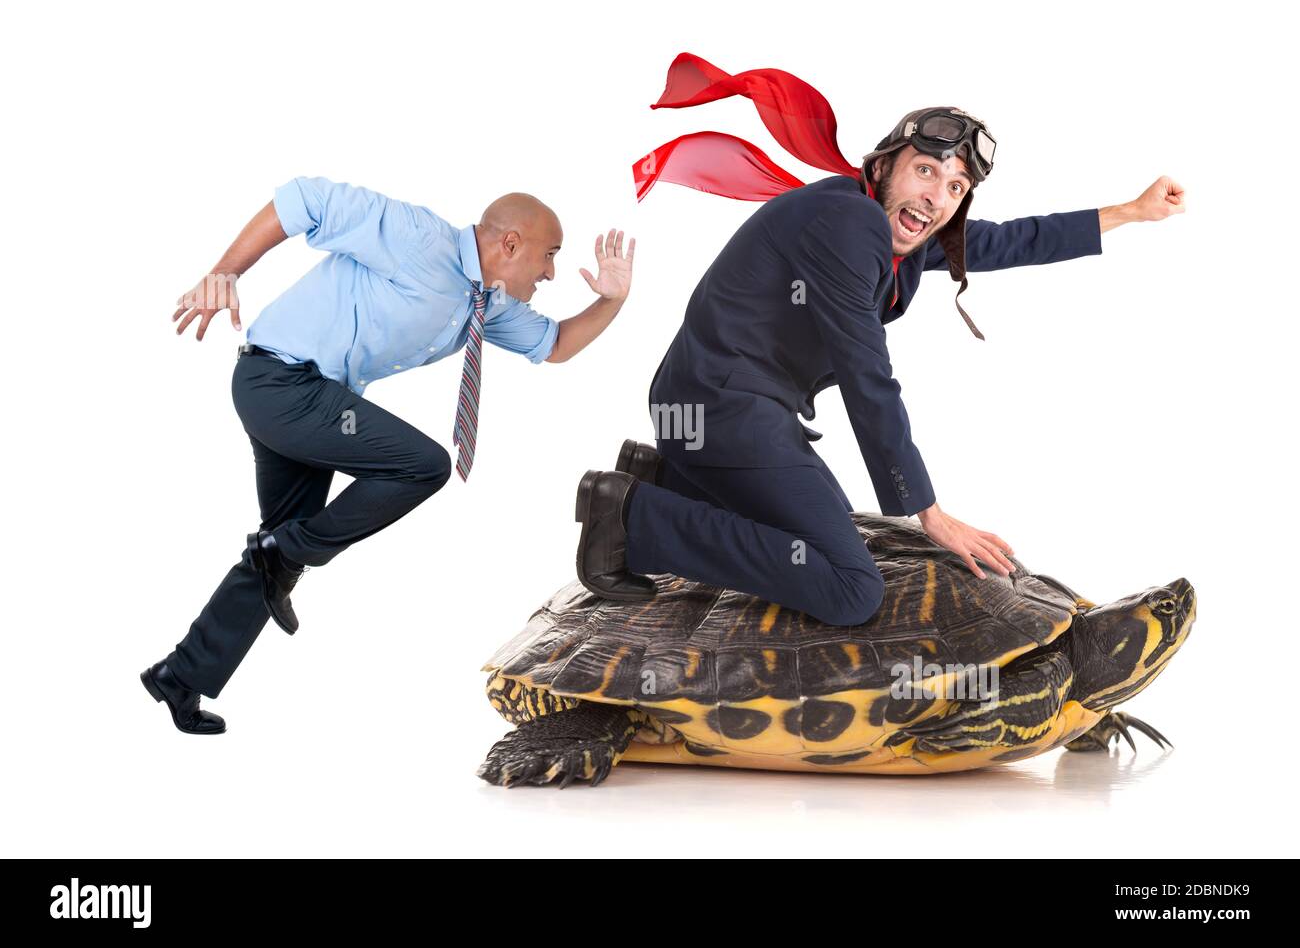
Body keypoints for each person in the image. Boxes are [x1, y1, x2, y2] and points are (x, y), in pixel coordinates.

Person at [573, 55, 1184, 626]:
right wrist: (929, 511)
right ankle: (629, 517)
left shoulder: (904, 242)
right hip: (720, 405)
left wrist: (1131, 211)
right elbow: (868, 376)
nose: (937, 197)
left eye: (955, 187)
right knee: (851, 586)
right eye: (926, 170)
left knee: (832, 533)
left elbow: (1017, 240)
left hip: (722, 410)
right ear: (884, 164)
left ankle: (665, 481)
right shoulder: (848, 223)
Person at [143, 178, 636, 734]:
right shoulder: (416, 238)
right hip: (281, 384)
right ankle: (284, 550)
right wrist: (225, 272)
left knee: (279, 548)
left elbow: (556, 346)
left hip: (313, 400)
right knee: (421, 465)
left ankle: (180, 675)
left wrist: (611, 300)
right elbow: (301, 199)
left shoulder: (487, 303)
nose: (550, 273)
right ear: (511, 244)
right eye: (549, 257)